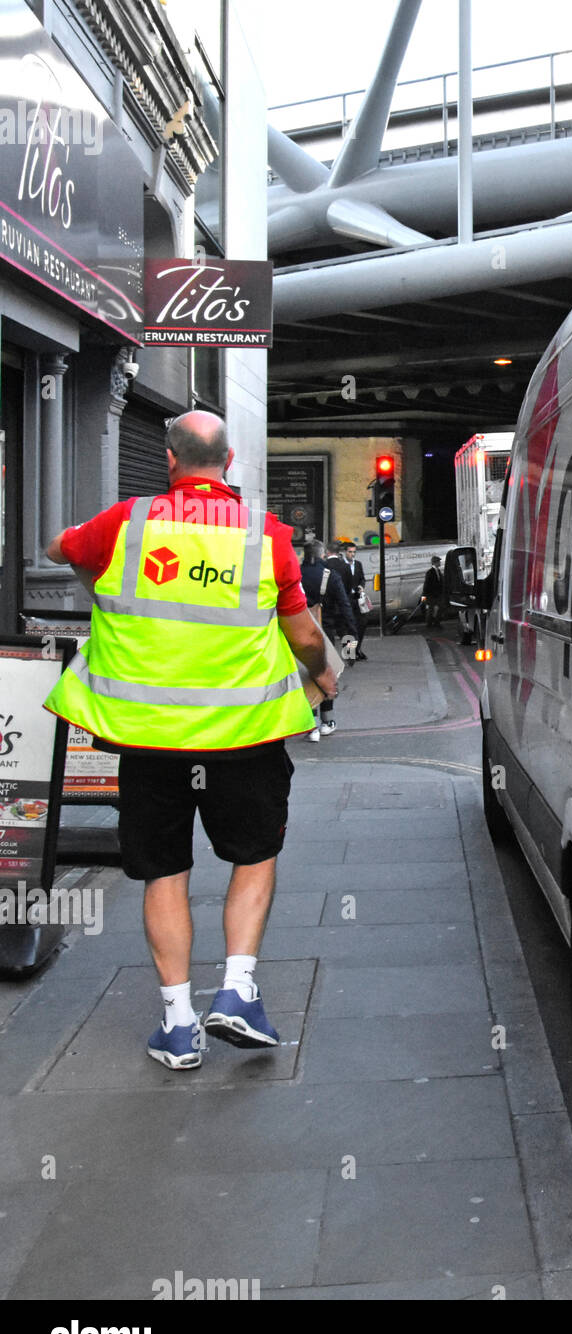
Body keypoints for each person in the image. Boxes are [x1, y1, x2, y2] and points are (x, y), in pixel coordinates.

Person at [43, 411, 336, 1071]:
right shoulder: (267, 537)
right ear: (227, 462)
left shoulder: (125, 524)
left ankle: (179, 1028)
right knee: (254, 856)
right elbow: (304, 637)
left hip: (152, 743)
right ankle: (236, 991)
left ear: (169, 461)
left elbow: (64, 550)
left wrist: (79, 556)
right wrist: (325, 678)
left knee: (165, 872)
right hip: (245, 739)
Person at [300, 541, 357, 740]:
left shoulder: (295, 575)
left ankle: (311, 724)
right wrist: (351, 644)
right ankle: (327, 721)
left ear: (304, 555)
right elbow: (345, 608)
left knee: (306, 676)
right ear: (323, 555)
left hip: (299, 633)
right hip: (325, 632)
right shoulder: (330, 576)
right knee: (326, 674)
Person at [339, 541, 369, 659]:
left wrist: (361, 586)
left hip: (357, 598)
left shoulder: (358, 564)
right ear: (345, 552)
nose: (352, 554)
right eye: (350, 552)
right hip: (346, 598)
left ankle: (357, 648)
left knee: (361, 623)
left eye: (354, 552)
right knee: (348, 626)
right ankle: (349, 652)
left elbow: (362, 578)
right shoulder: (341, 565)